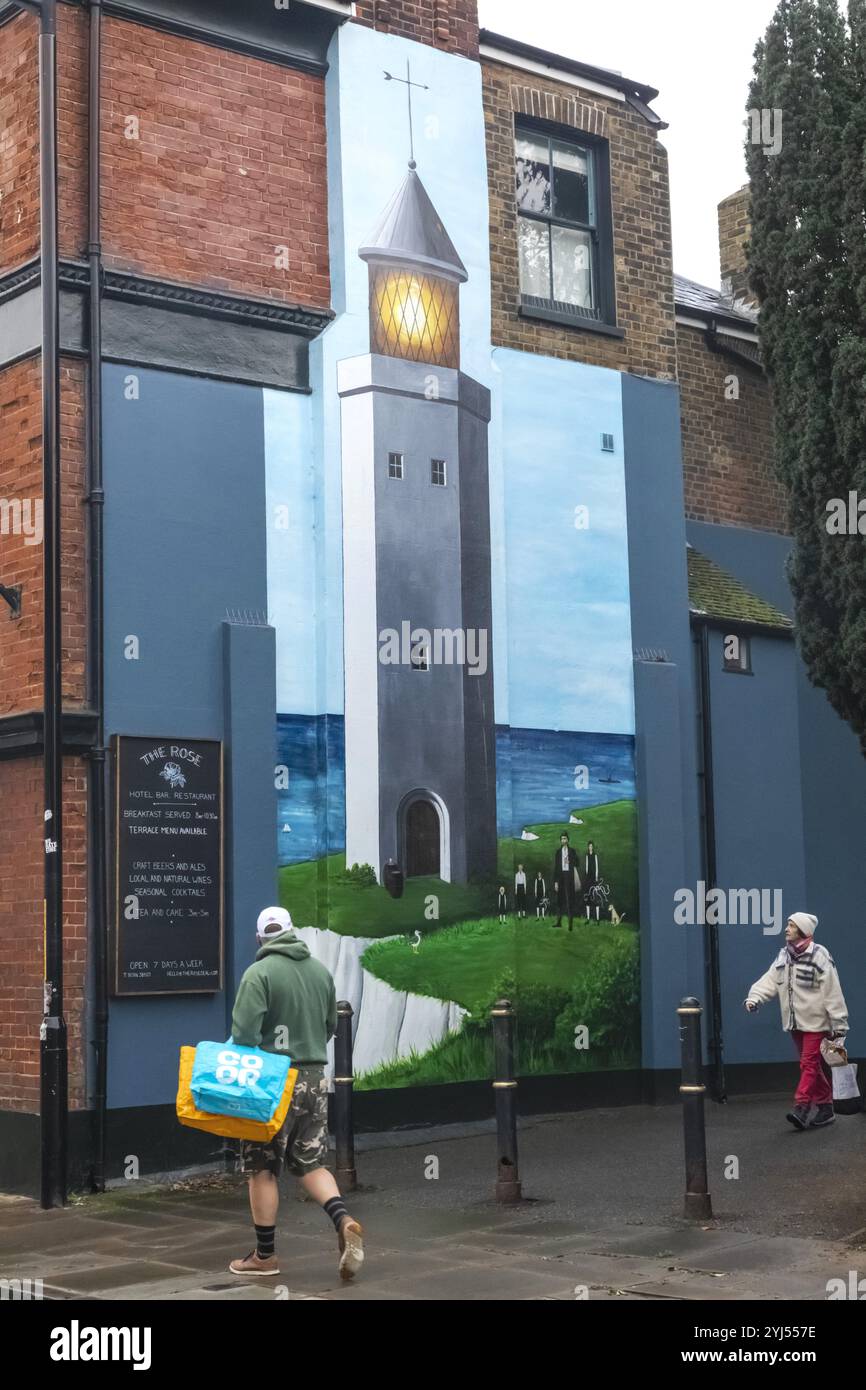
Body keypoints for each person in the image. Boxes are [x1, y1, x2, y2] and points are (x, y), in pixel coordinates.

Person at [228, 906, 364, 1280]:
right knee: (311, 1162)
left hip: (271, 1082)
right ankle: (343, 1219)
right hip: (314, 1076)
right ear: (292, 932)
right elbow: (329, 1025)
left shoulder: (259, 974)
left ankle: (265, 1256)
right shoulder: (320, 972)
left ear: (260, 939)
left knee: (262, 1167)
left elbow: (243, 1036)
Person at [744, 911, 849, 1131]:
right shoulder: (784, 955)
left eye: (791, 925)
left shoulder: (820, 955)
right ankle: (825, 1107)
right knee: (813, 1066)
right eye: (788, 925)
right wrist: (755, 998)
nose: (786, 929)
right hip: (795, 1023)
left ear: (803, 930)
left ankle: (801, 1107)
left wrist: (839, 1024)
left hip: (817, 1023)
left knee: (808, 1064)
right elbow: (770, 979)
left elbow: (832, 991)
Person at [553, 832, 582, 931]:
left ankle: (570, 925)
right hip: (560, 877)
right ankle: (559, 923)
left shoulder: (572, 851)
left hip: (569, 877)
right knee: (559, 901)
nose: (563, 840)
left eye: (565, 839)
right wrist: (556, 882)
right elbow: (556, 868)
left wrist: (570, 861)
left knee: (570, 901)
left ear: (568, 840)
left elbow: (578, 863)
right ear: (560, 840)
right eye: (562, 839)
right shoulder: (558, 852)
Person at [584, 841, 600, 921]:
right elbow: (586, 867)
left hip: (594, 879)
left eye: (591, 846)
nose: (590, 847)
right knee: (588, 898)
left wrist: (596, 877)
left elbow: (596, 867)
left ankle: (597, 919)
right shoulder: (587, 855)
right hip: (588, 879)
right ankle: (588, 918)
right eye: (589, 846)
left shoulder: (595, 855)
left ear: (592, 847)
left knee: (596, 898)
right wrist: (587, 877)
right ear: (588, 847)